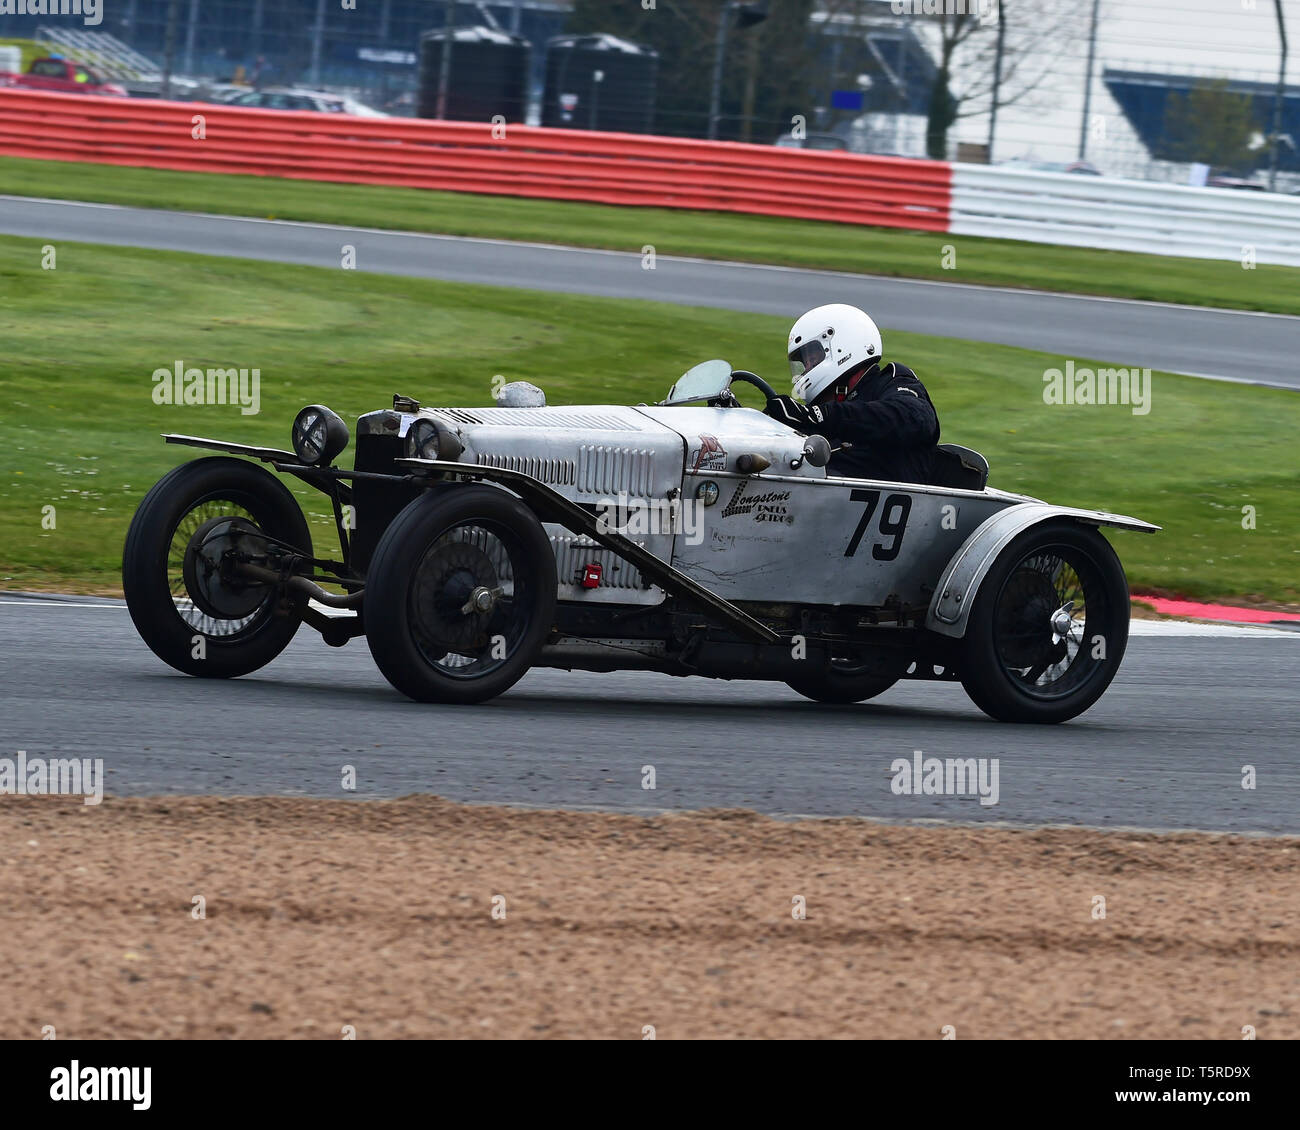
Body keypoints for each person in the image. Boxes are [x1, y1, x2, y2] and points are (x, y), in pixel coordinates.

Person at [764, 303, 941, 484]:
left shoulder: (894, 383)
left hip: (883, 500)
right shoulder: (827, 411)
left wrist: (819, 415)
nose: (806, 368)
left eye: (813, 359)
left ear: (842, 346)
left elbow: (914, 418)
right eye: (805, 362)